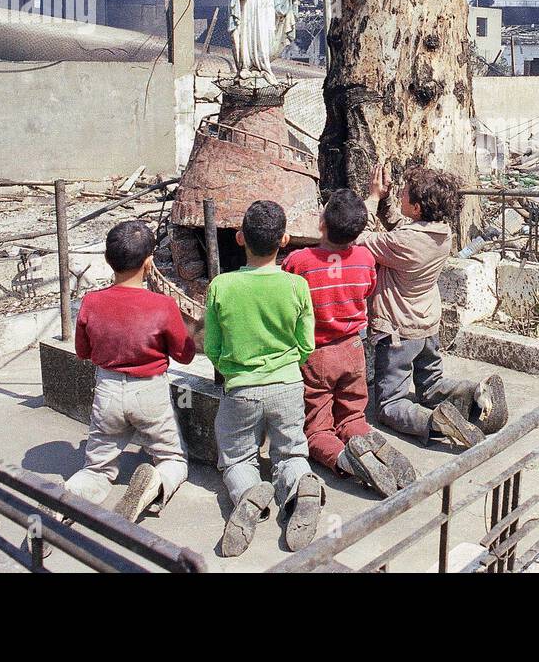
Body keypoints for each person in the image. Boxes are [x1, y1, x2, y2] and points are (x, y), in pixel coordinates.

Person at [361, 164, 508, 448]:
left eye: (404, 195)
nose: (400, 196)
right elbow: (400, 226)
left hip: (399, 331)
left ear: (416, 208)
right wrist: (389, 199)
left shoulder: (404, 242)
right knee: (430, 386)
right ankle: (477, 393)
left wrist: (373, 198)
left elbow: (361, 237)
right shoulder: (441, 231)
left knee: (390, 404)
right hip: (428, 325)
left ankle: (434, 423)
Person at [205, 200, 322, 557]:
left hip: (240, 389)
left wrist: (232, 369)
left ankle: (248, 493)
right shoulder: (297, 286)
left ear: (239, 238)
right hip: (288, 385)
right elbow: (306, 344)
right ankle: (302, 484)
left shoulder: (221, 286)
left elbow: (211, 347)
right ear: (285, 240)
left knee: (238, 458)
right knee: (289, 452)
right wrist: (288, 366)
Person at [283, 190, 417, 497]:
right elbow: (369, 288)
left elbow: (286, 300)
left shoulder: (299, 262)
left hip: (315, 354)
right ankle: (372, 447)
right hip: (354, 350)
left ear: (321, 225)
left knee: (317, 428)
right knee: (353, 416)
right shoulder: (366, 258)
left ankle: (346, 461)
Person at [65, 221, 194, 523]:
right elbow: (185, 355)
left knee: (96, 469)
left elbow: (83, 352)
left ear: (109, 260)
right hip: (150, 392)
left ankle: (67, 497)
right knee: (172, 458)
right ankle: (155, 483)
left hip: (108, 391)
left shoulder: (91, 302)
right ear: (149, 262)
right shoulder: (163, 305)